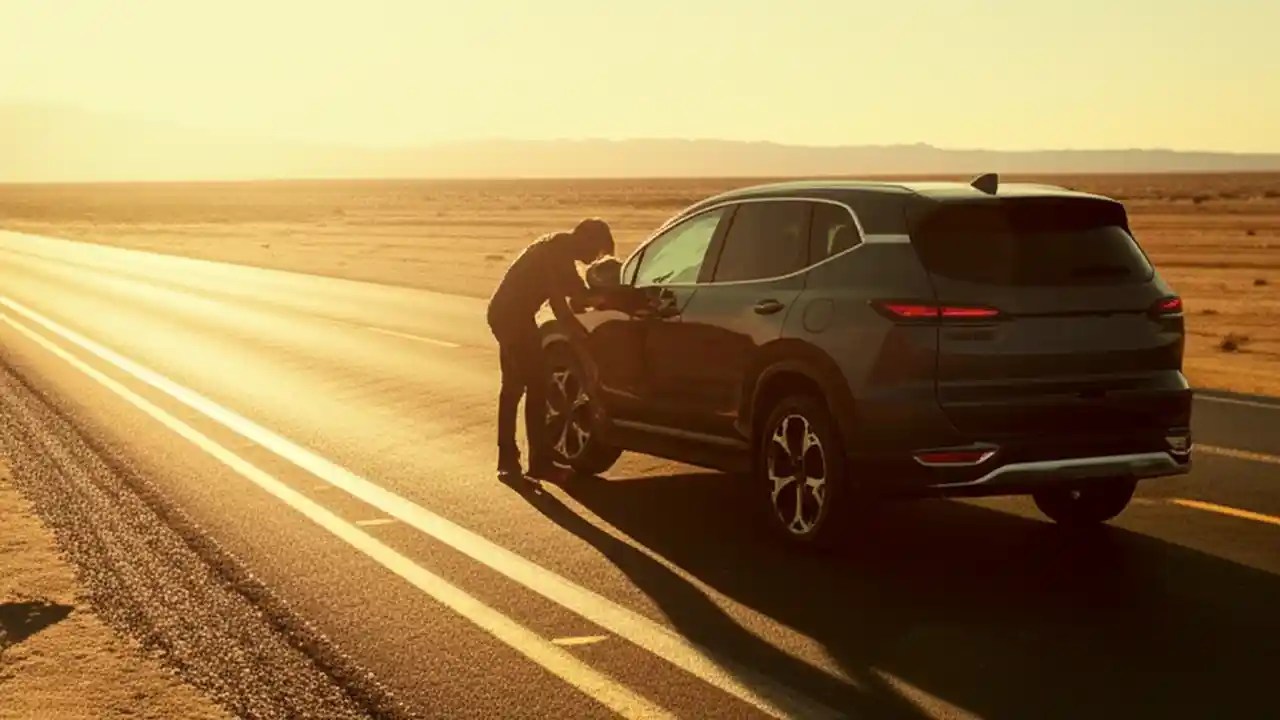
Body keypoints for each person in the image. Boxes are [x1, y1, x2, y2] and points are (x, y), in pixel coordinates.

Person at [486, 218, 613, 483]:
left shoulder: (560, 248)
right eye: (597, 251)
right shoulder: (557, 252)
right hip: (512, 318)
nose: (593, 259)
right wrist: (581, 336)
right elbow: (560, 304)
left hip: (507, 314)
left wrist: (601, 298)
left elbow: (577, 293)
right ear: (585, 239)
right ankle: (539, 462)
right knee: (536, 386)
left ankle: (507, 460)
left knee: (512, 388)